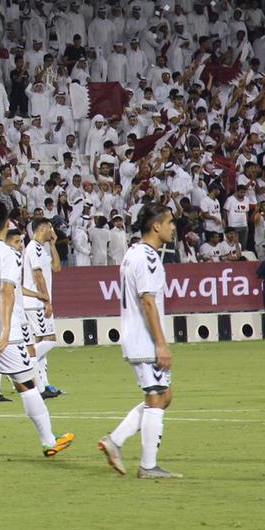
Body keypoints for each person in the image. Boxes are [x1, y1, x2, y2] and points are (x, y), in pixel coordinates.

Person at [0, 201, 72, 463]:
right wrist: (6, 330)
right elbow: (7, 292)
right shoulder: (8, 254)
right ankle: (48, 441)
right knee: (27, 386)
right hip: (3, 334)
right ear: (8, 223)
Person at [98, 204, 181, 479]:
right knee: (156, 398)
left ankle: (115, 440)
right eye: (169, 222)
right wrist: (161, 344)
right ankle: (148, 465)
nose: (172, 227)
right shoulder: (146, 257)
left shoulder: (134, 252)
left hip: (138, 338)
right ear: (156, 226)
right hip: (144, 340)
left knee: (163, 396)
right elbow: (147, 302)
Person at [18, 218, 66, 398]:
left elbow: (57, 268)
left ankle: (43, 385)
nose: (52, 232)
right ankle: (23, 364)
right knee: (50, 341)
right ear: (42, 229)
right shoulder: (33, 248)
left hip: (40, 303)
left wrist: (53, 245)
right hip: (36, 304)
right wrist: (47, 301)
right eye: (50, 229)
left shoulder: (43, 248)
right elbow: (38, 276)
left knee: (41, 344)